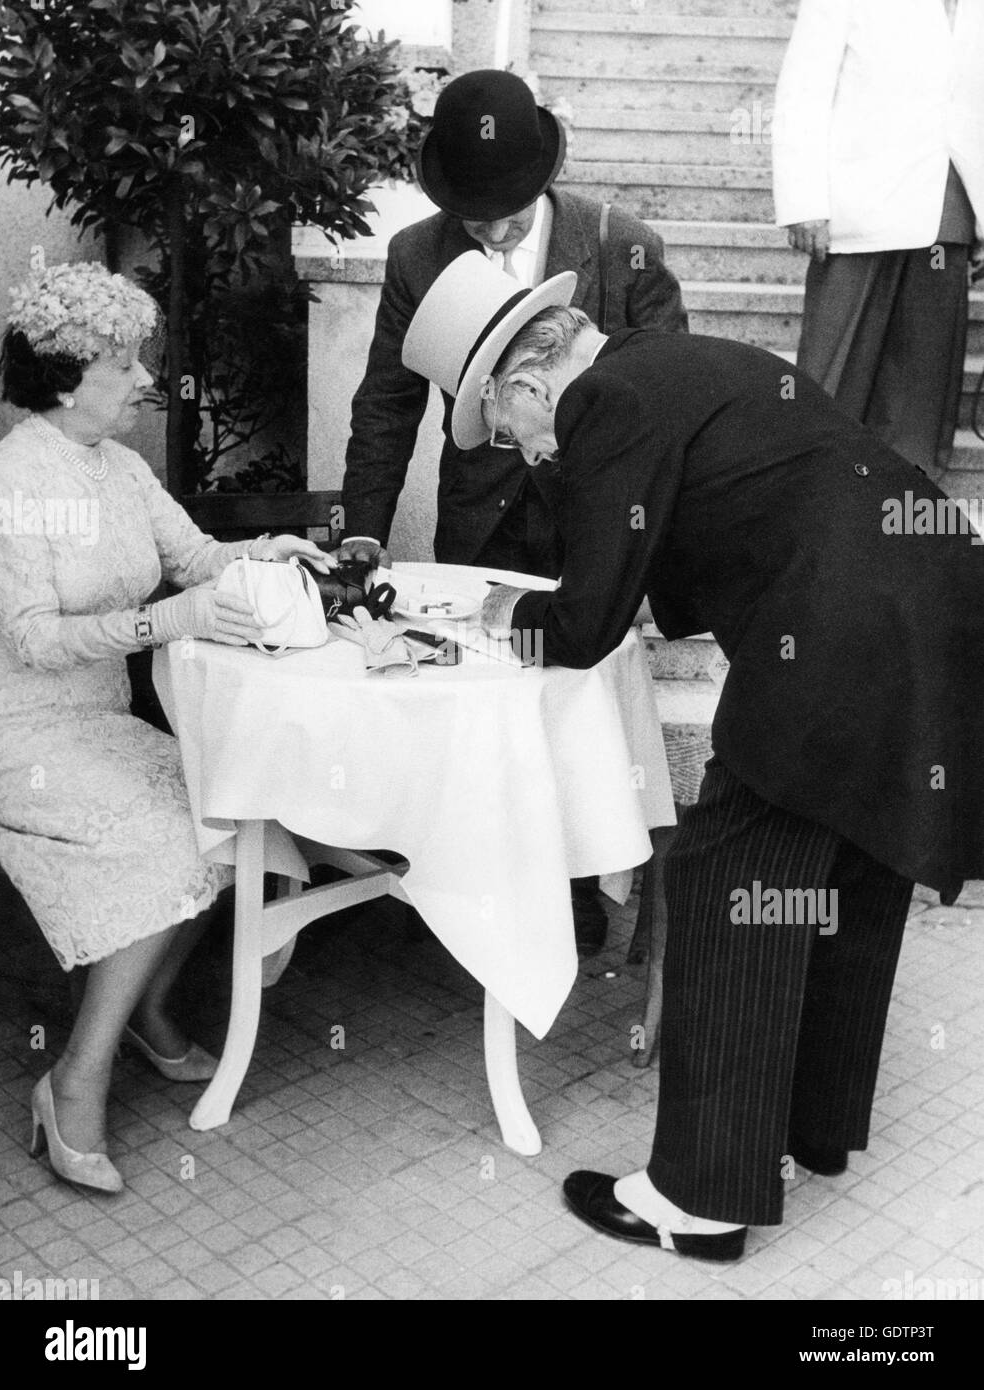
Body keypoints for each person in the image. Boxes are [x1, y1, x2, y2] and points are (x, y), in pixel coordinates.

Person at [401, 250, 984, 1260]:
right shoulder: (669, 364)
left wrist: (492, 610)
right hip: (933, 594)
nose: (529, 456)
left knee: (726, 871)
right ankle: (808, 1129)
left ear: (530, 381)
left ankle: (702, 1197)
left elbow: (581, 624)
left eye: (509, 430)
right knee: (848, 863)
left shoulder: (603, 404)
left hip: (845, 629)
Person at [0, 261, 335, 1193]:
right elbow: (29, 640)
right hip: (20, 739)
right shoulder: (15, 479)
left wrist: (271, 551)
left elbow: (198, 559)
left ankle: (141, 1007)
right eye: (125, 361)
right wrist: (164, 623)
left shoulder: (125, 467)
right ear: (66, 376)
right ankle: (74, 1079)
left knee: (235, 824)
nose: (149, 377)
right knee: (163, 844)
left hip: (101, 725)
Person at [340, 68, 687, 954]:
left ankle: (569, 887)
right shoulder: (416, 254)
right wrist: (363, 530)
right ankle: (460, 881)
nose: (491, 231)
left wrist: (649, 552)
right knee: (480, 692)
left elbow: (664, 405)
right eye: (474, 216)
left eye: (511, 213)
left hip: (595, 515)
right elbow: (387, 403)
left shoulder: (623, 244)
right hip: (480, 519)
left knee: (571, 692)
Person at [772, 0, 984, 476]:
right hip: (859, 207)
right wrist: (804, 201)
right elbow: (803, 91)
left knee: (921, 390)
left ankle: (902, 497)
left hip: (950, 208)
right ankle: (809, 487)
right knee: (833, 375)